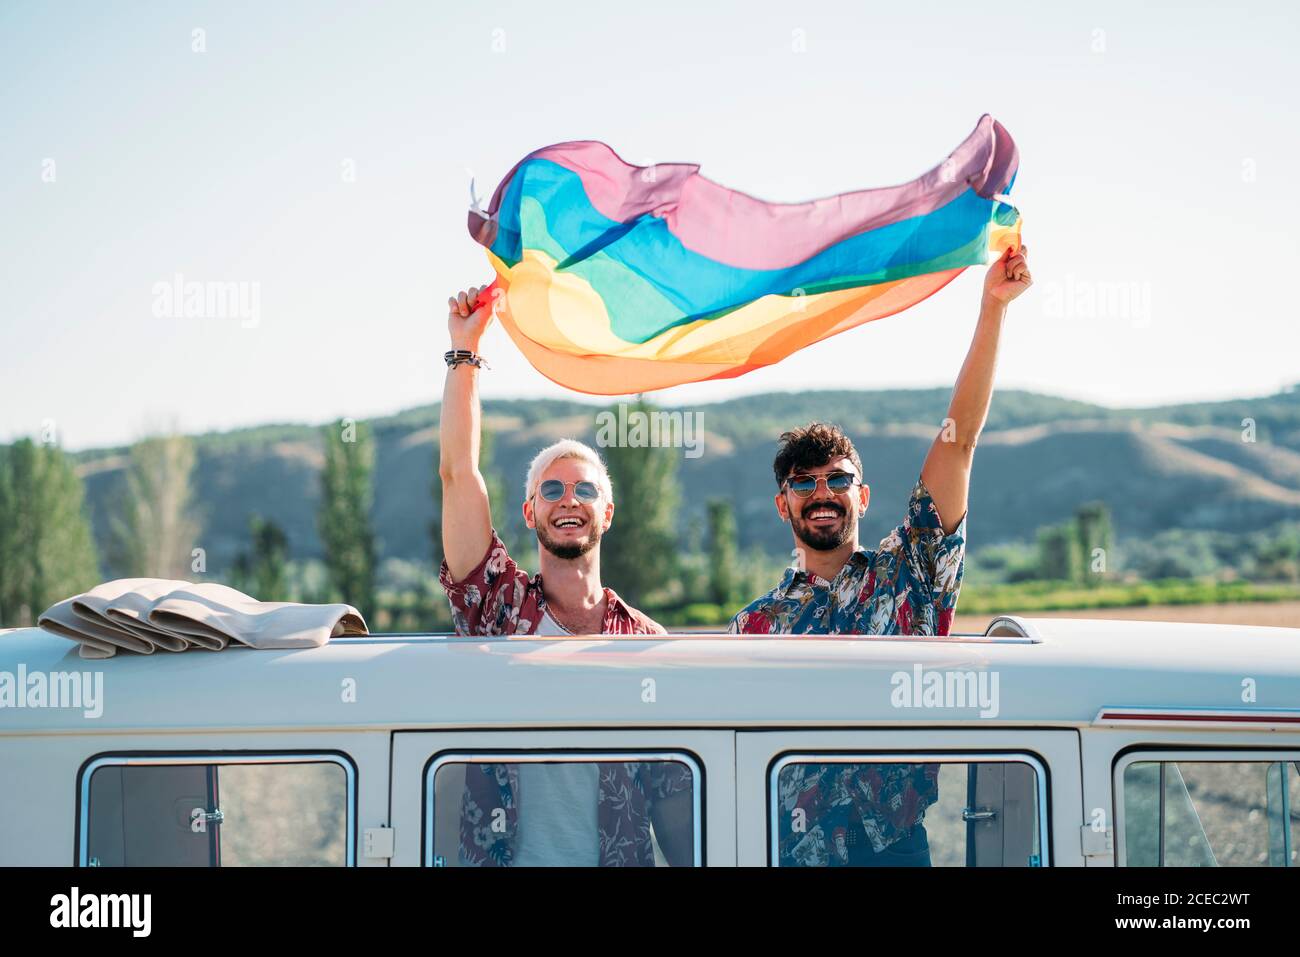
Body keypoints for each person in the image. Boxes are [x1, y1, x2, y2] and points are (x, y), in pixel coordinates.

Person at [730, 245, 1033, 866]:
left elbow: (960, 443)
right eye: (804, 483)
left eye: (837, 480)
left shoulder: (911, 577)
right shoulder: (751, 628)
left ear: (861, 496)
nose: (822, 493)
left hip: (898, 851)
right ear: (781, 505)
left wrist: (993, 307)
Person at [439, 284, 690, 865]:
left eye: (585, 489)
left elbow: (673, 802)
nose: (567, 499)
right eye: (550, 489)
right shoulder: (498, 608)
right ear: (530, 512)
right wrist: (464, 352)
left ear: (607, 511)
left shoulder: (649, 646)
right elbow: (458, 474)